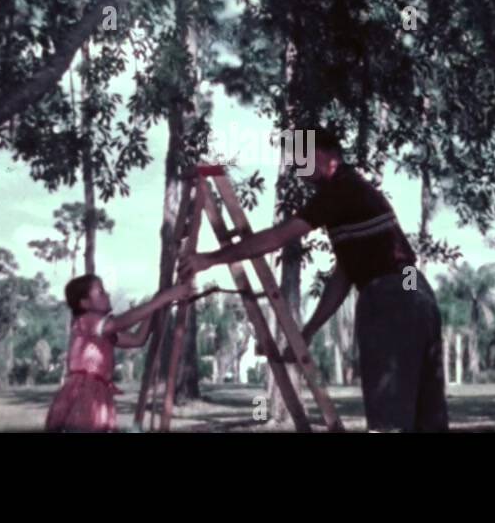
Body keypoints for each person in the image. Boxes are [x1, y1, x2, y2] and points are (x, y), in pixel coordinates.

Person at [179, 128, 448, 432]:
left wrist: (210, 259)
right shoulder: (354, 193)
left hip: (391, 295)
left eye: (299, 160)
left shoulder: (339, 190)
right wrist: (308, 331)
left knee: (389, 419)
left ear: (320, 154)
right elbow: (344, 275)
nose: (297, 171)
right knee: (426, 419)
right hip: (414, 290)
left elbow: (278, 237)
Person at [45, 275, 192, 432]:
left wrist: (155, 306)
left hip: (97, 393)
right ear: (85, 303)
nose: (107, 294)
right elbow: (119, 323)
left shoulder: (102, 331)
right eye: (101, 292)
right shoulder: (86, 321)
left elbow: (137, 339)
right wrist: (163, 299)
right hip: (83, 393)